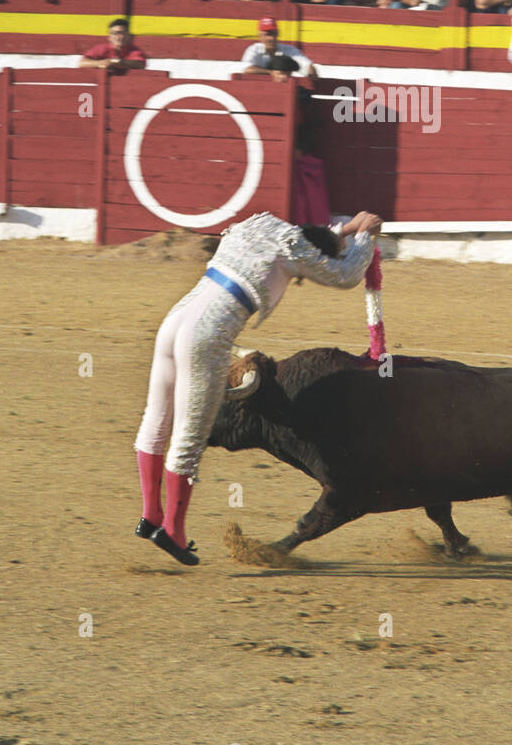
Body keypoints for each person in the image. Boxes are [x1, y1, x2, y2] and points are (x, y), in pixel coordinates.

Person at [134, 209, 382, 565]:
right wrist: (366, 237)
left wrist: (346, 228)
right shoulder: (295, 248)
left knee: (156, 418)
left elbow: (309, 238)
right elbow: (344, 275)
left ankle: (150, 515)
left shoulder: (261, 224)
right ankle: (173, 531)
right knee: (189, 435)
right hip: (207, 332)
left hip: (176, 319)